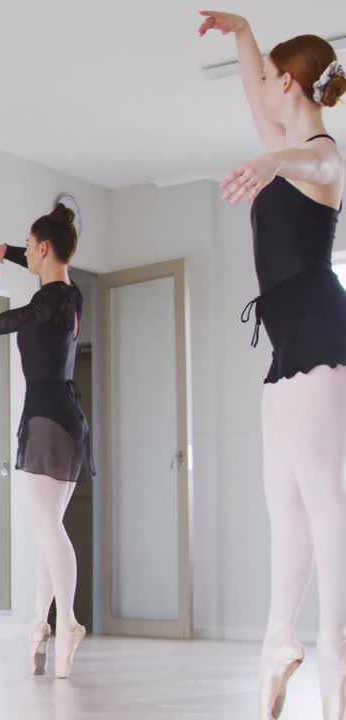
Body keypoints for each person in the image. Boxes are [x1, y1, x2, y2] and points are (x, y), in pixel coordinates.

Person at [199, 11, 346, 719]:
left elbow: (322, 166)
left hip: (320, 333)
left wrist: (273, 163)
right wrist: (242, 34)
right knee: (282, 505)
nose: (260, 88)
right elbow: (260, 108)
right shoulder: (283, 145)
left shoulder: (317, 153)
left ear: (288, 82)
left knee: (323, 499)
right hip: (286, 349)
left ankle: (336, 650)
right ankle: (278, 641)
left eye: (267, 76)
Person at [0, 204, 93, 679]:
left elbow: (26, 314)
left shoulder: (50, 299)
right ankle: (39, 625)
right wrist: (7, 250)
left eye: (29, 247)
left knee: (48, 528)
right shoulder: (72, 294)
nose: (25, 253)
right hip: (69, 420)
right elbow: (41, 294)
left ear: (45, 247)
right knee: (50, 530)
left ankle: (66, 623)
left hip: (45, 418)